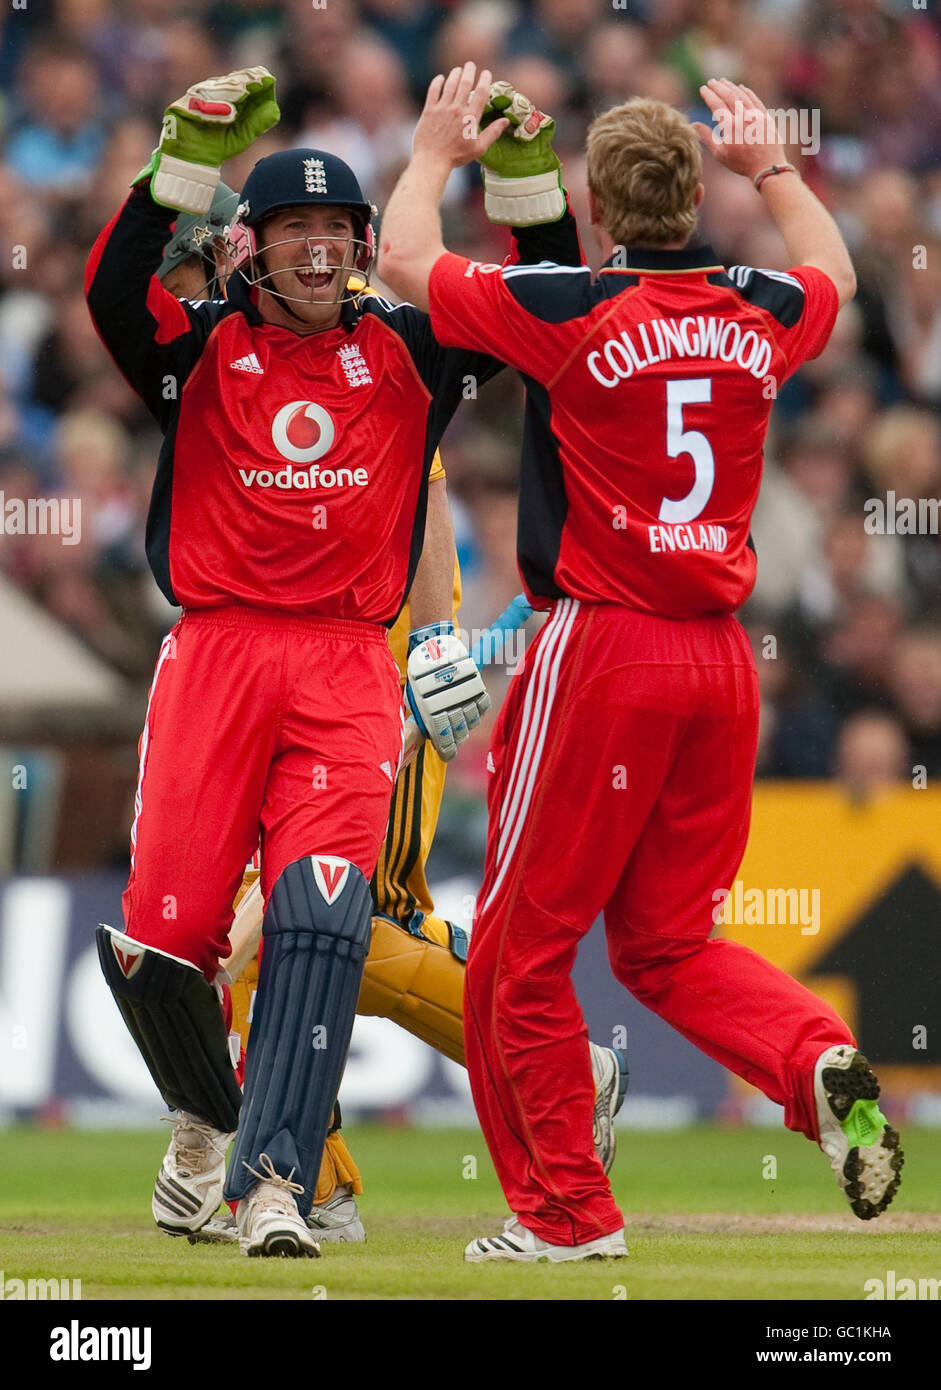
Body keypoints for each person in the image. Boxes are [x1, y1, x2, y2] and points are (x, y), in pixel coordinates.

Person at [378, 67, 904, 1262]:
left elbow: (405, 265)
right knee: (666, 942)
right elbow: (841, 272)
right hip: (721, 663)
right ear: (694, 200)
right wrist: (769, 164)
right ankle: (811, 1054)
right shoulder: (760, 302)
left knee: (516, 947)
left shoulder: (571, 304)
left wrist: (430, 155)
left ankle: (564, 1214)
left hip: (602, 647)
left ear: (599, 212)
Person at [85, 66, 594, 1258]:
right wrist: (182, 164)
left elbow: (548, 298)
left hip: (342, 670)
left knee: (321, 916)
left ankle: (274, 1184)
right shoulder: (194, 354)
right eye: (292, 230)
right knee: (166, 943)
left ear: (365, 244)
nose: (318, 251)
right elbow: (115, 291)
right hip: (214, 658)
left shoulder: (414, 351)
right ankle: (206, 1130)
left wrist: (520, 177)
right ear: (249, 245)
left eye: (337, 230)